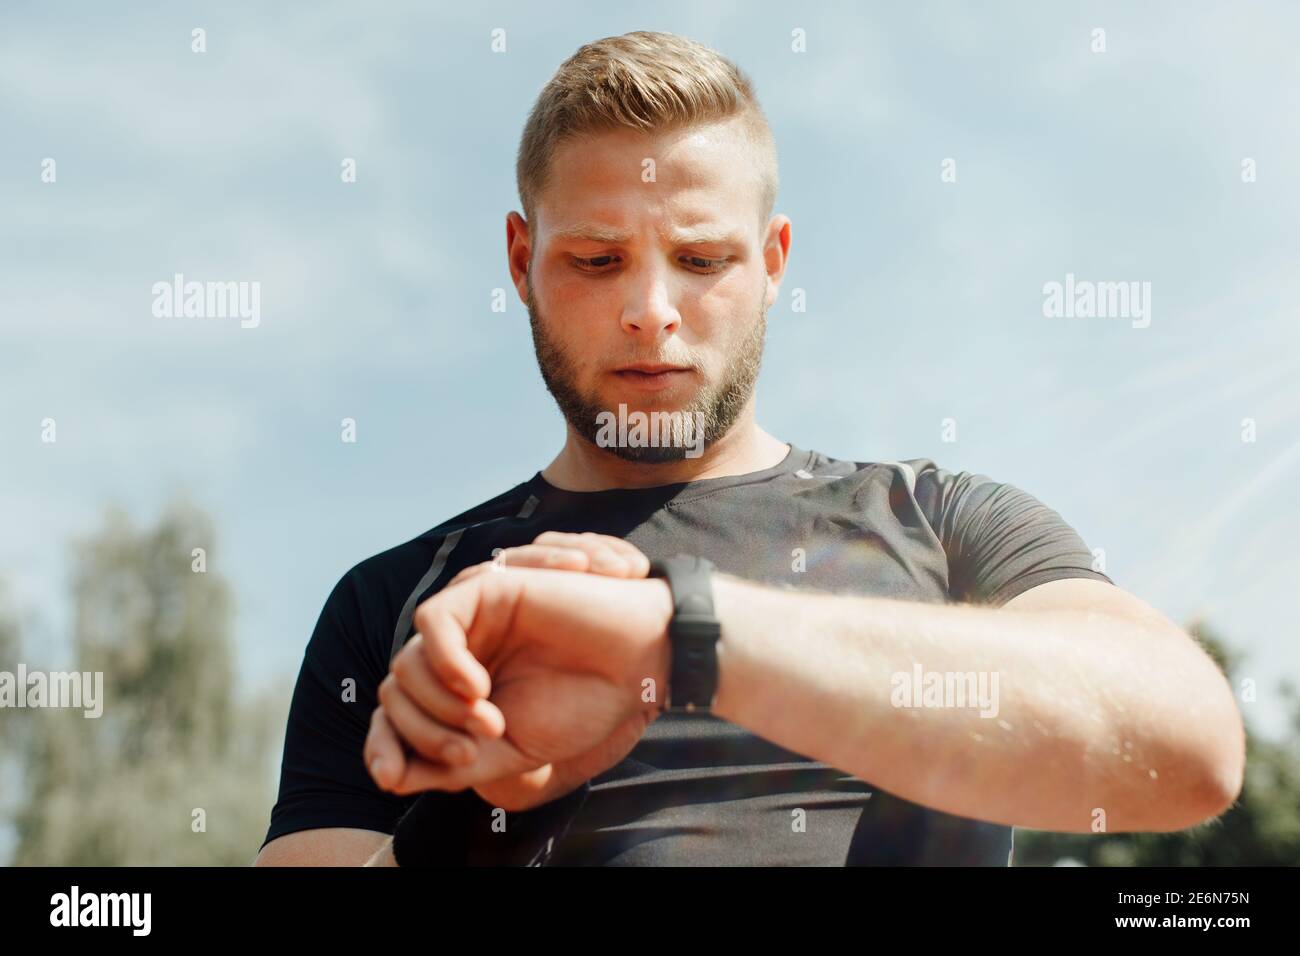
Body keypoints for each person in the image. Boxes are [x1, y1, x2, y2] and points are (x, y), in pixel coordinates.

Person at [254, 31, 1243, 867]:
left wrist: (679, 637)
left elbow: (1188, 744)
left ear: (771, 263)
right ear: (521, 261)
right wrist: (486, 797)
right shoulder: (392, 602)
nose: (650, 313)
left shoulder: (943, 524)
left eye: (700, 259)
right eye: (597, 261)